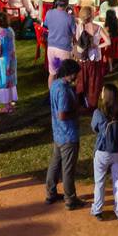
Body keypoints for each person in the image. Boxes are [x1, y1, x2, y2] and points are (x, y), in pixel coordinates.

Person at [46, 58, 85, 209]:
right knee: (68, 169)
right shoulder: (64, 90)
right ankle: (70, 199)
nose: (76, 77)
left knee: (55, 164)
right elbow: (62, 115)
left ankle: (51, 193)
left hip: (58, 134)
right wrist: (77, 112)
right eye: (75, 74)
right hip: (68, 135)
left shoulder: (55, 84)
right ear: (69, 74)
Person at [90, 82, 118, 220]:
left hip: (102, 151)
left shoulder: (98, 112)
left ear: (105, 95)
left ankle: (97, 210)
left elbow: (94, 128)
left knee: (99, 182)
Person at [44, 0, 76, 88]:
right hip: (64, 49)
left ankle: (52, 95)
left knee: (53, 73)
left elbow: (46, 26)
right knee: (66, 74)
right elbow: (74, 33)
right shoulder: (70, 18)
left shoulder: (49, 13)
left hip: (52, 48)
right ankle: (64, 94)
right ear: (67, 3)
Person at [0, 11, 18, 113]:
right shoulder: (10, 31)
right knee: (9, 82)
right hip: (11, 60)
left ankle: (7, 106)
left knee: (3, 83)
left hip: (2, 63)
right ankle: (10, 103)